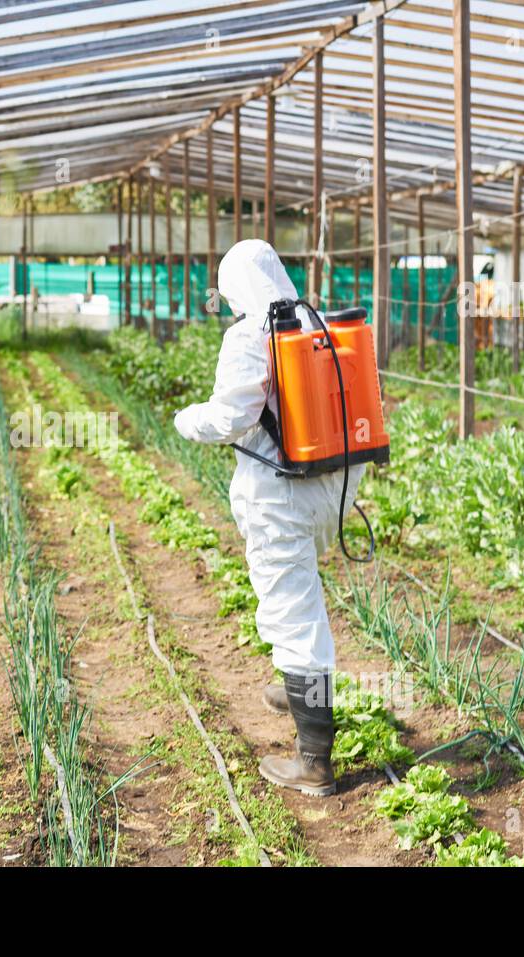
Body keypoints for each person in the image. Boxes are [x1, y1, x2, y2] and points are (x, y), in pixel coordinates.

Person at [173, 239, 365, 798]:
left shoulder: (251, 333)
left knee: (292, 606)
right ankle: (299, 688)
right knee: (295, 598)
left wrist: (188, 419)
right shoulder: (317, 321)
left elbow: (232, 417)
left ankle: (313, 762)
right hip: (335, 487)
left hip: (281, 495)